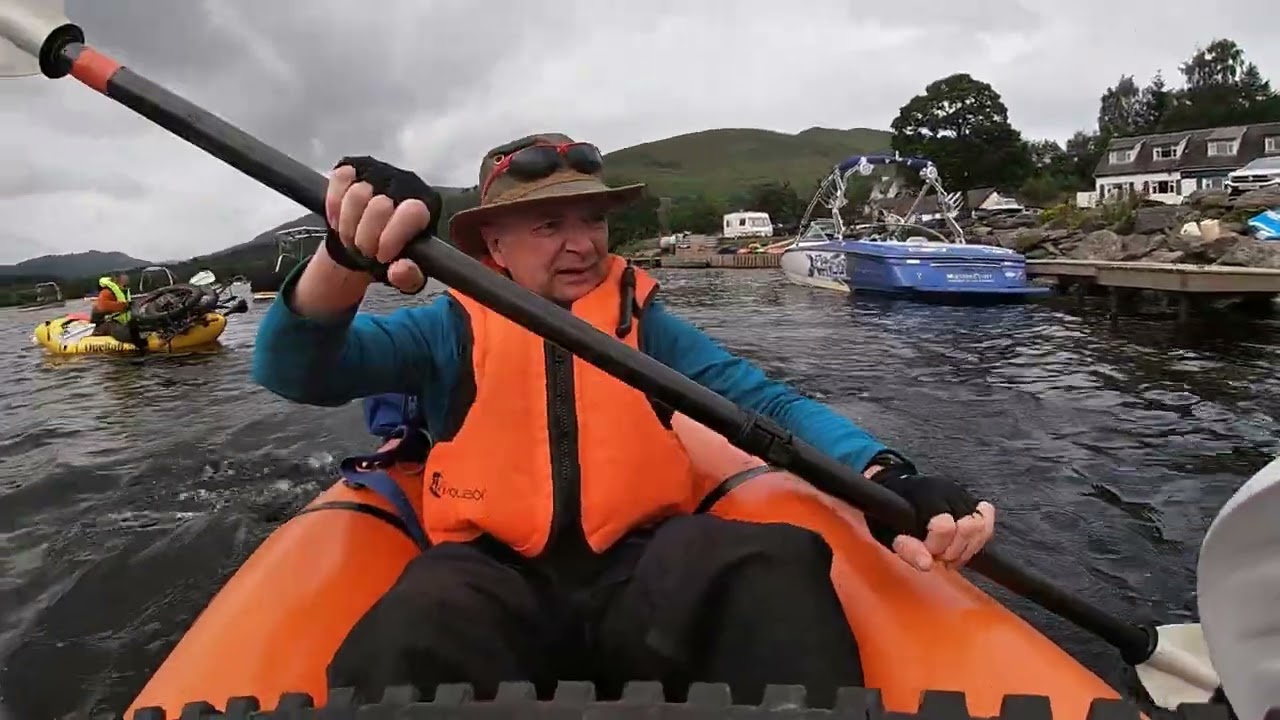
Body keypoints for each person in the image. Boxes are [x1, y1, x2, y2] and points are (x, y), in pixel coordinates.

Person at [251, 135, 997, 706]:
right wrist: (345, 256)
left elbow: (767, 404)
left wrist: (884, 478)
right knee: (413, 622)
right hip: (492, 576)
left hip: (642, 567)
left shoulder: (647, 323)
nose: (582, 243)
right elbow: (295, 369)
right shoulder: (445, 330)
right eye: (549, 223)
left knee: (772, 563)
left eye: (592, 220)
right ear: (495, 248)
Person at [91, 271, 146, 351]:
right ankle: (134, 340)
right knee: (117, 330)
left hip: (120, 321)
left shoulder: (124, 291)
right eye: (125, 279)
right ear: (117, 280)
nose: (127, 281)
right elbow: (103, 306)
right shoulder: (107, 292)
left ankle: (137, 334)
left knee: (135, 322)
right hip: (105, 322)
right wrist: (124, 305)